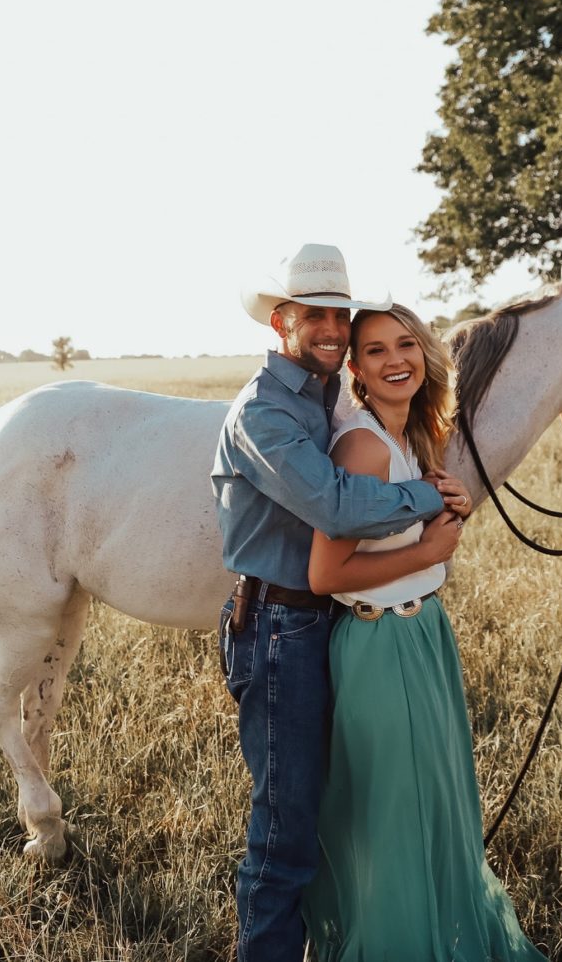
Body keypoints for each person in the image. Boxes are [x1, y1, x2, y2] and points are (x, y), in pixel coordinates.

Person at [211, 244, 471, 962]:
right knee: (286, 827)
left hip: (324, 623)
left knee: (340, 809)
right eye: (313, 315)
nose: (329, 327)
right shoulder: (265, 413)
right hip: (278, 626)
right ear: (280, 322)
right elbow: (332, 503)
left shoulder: (326, 395)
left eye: (338, 315)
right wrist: (433, 501)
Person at [302, 303, 547, 961]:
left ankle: (440, 934)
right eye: (376, 351)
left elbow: (418, 537)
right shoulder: (361, 446)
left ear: (426, 352)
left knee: (435, 804)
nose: (395, 361)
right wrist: (431, 551)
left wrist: (449, 510)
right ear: (355, 368)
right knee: (395, 815)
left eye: (405, 344)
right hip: (379, 644)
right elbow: (327, 572)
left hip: (423, 634)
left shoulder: (414, 438)